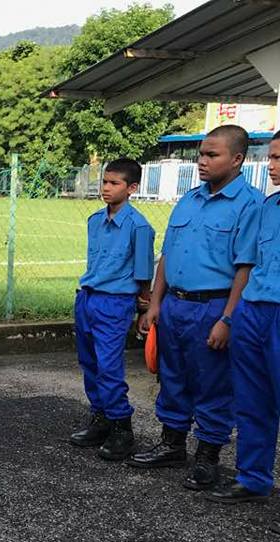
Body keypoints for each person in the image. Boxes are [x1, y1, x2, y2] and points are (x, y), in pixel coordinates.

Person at [129, 125, 263, 490]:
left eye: (212, 155)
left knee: (213, 384)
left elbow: (245, 268)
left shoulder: (249, 205)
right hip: (176, 305)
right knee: (172, 377)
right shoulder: (189, 199)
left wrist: (227, 319)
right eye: (200, 154)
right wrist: (154, 304)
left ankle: (207, 458)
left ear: (237, 159)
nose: (202, 162)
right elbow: (168, 255)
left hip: (213, 306)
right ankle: (172, 445)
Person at [208, 130, 280, 504]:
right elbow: (249, 263)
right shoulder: (268, 207)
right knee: (252, 400)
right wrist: (234, 316)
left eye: (279, 159)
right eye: (270, 157)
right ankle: (252, 478)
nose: (271, 166)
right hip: (254, 310)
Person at [69, 159, 155, 460]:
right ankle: (101, 417)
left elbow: (144, 274)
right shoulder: (94, 221)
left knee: (108, 367)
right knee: (89, 362)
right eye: (104, 181)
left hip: (115, 302)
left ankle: (122, 426)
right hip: (88, 298)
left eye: (114, 183)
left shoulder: (139, 227)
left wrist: (145, 308)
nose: (106, 188)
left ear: (131, 188)